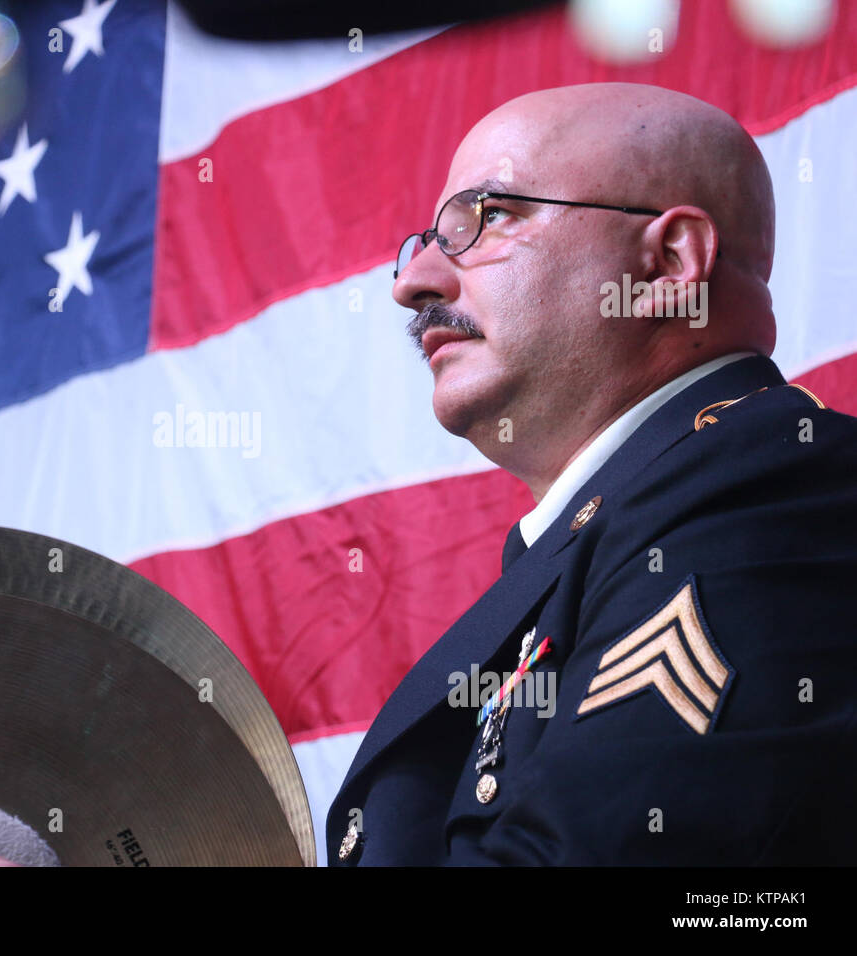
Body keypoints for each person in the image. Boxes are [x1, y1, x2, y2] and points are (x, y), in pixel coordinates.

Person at [326, 81, 857, 865]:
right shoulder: (616, 532)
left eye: (490, 218)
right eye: (431, 240)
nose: (413, 284)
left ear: (670, 262)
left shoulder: (770, 480)